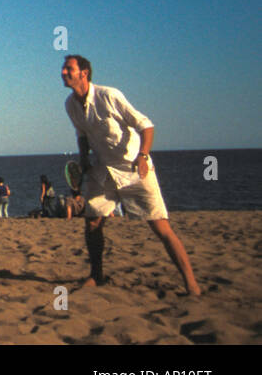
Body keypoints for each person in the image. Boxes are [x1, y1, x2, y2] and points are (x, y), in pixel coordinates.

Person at [61, 54, 200, 295]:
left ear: (84, 73)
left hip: (134, 169)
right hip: (103, 170)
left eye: (68, 69)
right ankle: (96, 276)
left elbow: (146, 125)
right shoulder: (70, 104)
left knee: (160, 227)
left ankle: (191, 284)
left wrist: (143, 155)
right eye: (63, 69)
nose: (63, 72)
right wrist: (83, 158)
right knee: (93, 222)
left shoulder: (109, 95)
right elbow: (82, 134)